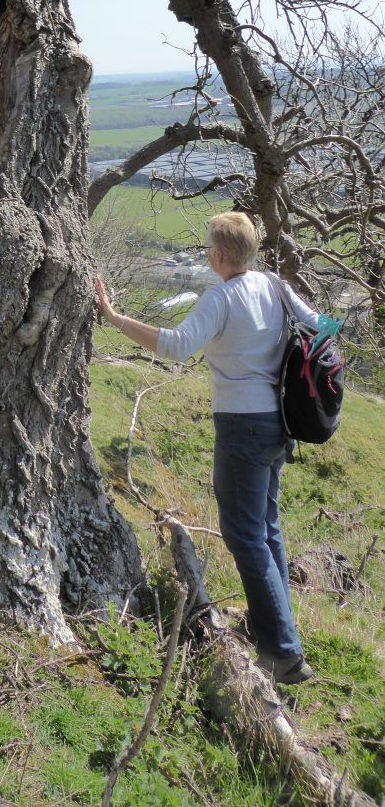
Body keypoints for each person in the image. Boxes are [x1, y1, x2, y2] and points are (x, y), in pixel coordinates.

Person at [94, 211, 319, 684]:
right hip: (280, 425)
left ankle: (283, 652)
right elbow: (321, 326)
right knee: (266, 529)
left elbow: (177, 345)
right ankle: (273, 631)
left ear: (217, 254)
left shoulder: (221, 297)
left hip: (242, 426)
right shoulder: (274, 284)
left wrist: (115, 318)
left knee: (244, 535)